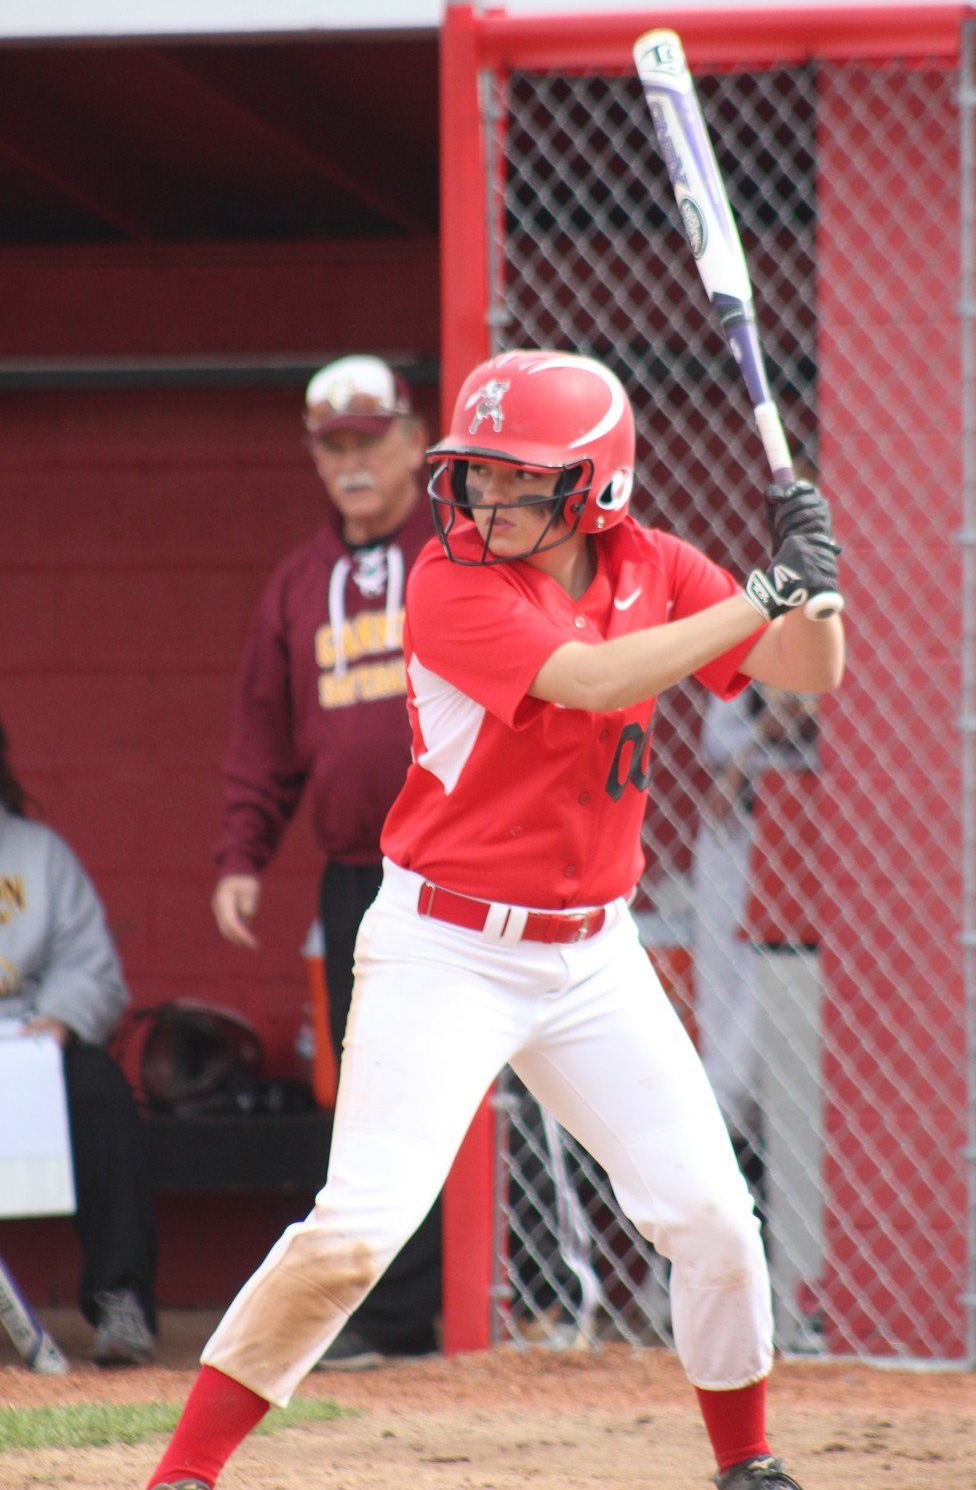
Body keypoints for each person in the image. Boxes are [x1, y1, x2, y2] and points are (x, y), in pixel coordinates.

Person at [145, 347, 844, 1490]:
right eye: (476, 475)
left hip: (589, 956)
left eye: (522, 479)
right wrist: (754, 600)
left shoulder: (656, 564)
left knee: (714, 1215)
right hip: (445, 948)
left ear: (596, 487)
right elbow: (599, 680)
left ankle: (746, 1461)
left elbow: (810, 668)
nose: (488, 500)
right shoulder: (448, 582)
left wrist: (814, 579)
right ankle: (184, 1472)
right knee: (357, 1228)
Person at [209, 354, 442, 1371]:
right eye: (333, 445)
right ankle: (392, 1322)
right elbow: (263, 732)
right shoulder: (299, 583)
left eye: (370, 440)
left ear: (414, 440)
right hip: (354, 874)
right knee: (373, 1092)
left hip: (464, 872)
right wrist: (241, 852)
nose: (351, 462)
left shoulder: (457, 554)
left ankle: (507, 1302)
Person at [0, 719, 157, 1365]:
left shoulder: (37, 854)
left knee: (99, 1087)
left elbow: (90, 966)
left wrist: (61, 1022)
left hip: (26, 1044)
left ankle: (121, 1302)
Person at [691, 684, 820, 1176]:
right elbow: (720, 756)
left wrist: (795, 717)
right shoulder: (742, 655)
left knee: (759, 1008)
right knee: (720, 1000)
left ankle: (721, 1128)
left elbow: (813, 732)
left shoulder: (823, 647)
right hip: (738, 837)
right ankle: (722, 1131)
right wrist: (759, 740)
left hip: (798, 842)